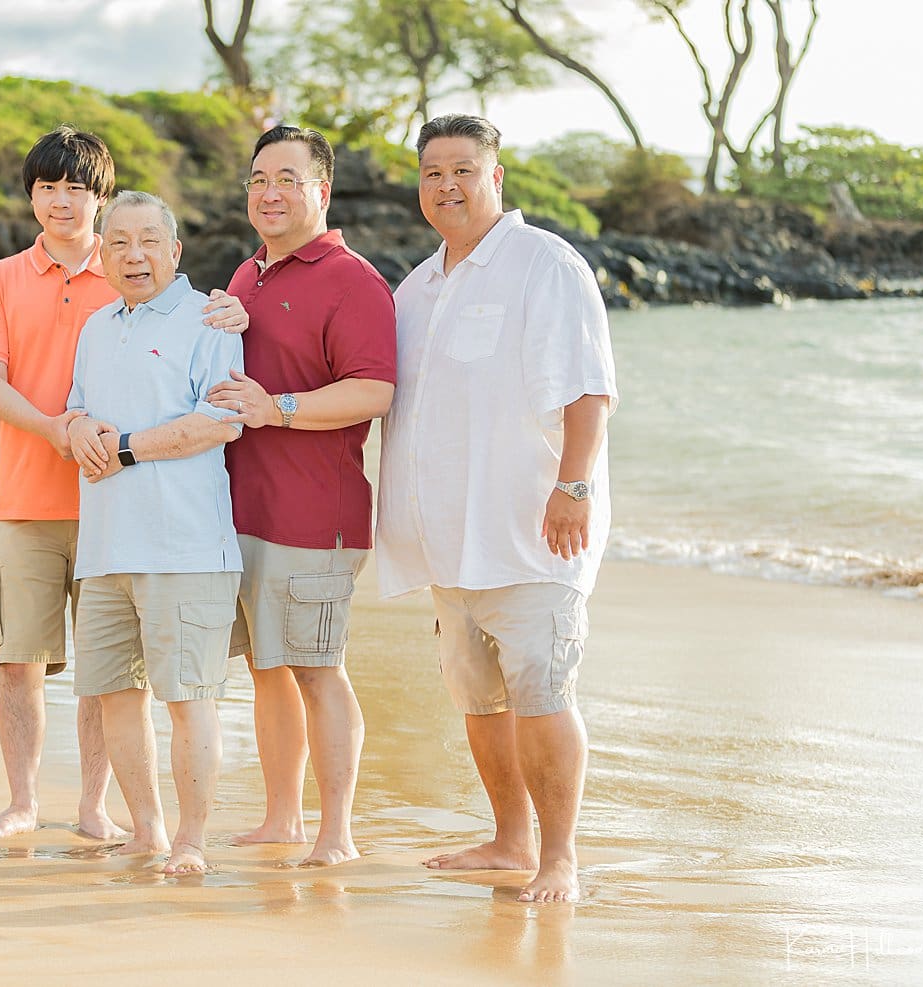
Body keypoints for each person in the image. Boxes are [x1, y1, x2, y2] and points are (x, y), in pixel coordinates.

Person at [0, 127, 247, 841]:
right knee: (19, 659)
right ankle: (24, 802)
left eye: (76, 188)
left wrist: (242, 309)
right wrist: (59, 429)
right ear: (31, 196)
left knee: (113, 675)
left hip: (121, 515)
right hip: (29, 498)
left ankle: (96, 806)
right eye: (47, 188)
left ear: (102, 198)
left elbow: (216, 369)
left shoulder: (135, 275)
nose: (61, 201)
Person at [376, 114, 618, 903]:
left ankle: (560, 857)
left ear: (496, 177)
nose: (446, 185)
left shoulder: (544, 263)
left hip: (532, 534)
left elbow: (589, 389)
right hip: (451, 543)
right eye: (432, 172)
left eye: (463, 170)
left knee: (543, 695)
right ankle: (510, 839)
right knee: (480, 700)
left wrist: (574, 486)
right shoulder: (418, 287)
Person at [205, 126, 396, 866]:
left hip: (316, 519)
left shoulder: (353, 280)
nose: (270, 192)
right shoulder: (247, 273)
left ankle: (335, 831)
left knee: (317, 668)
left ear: (323, 189)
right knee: (266, 666)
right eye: (258, 179)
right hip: (242, 511)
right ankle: (281, 818)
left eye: (288, 178)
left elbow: (374, 390)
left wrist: (276, 407)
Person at [64, 190, 244, 875]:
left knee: (188, 699)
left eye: (148, 241)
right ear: (103, 254)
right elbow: (77, 409)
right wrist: (81, 428)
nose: (133, 255)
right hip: (104, 547)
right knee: (115, 695)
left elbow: (220, 422)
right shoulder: (97, 326)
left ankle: (192, 839)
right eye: (118, 242)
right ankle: (147, 830)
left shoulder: (210, 319)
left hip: (185, 548)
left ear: (175, 250)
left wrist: (125, 449)